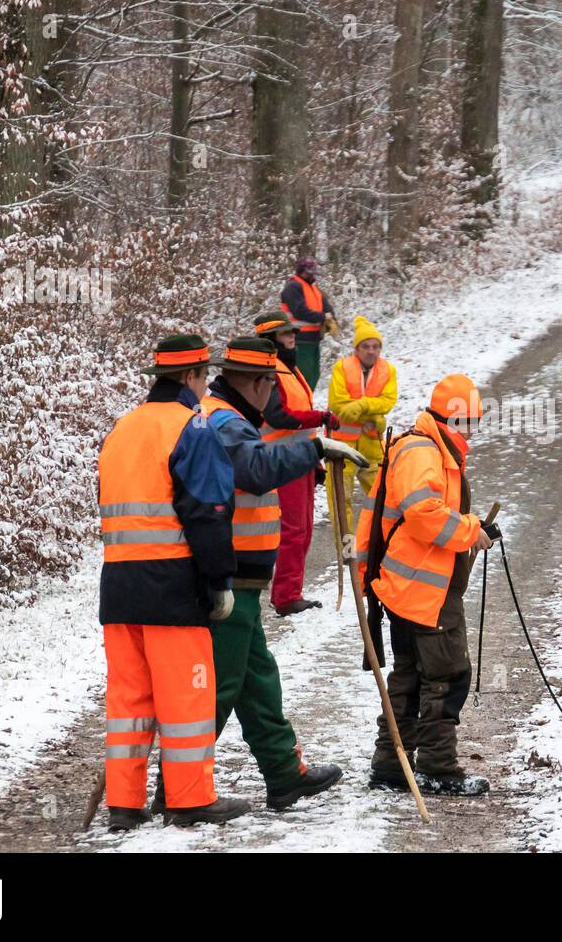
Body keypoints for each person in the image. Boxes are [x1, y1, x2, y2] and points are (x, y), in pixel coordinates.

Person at [151, 336, 368, 815]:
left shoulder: (228, 416)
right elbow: (251, 469)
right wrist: (314, 450)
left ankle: (284, 773)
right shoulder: (222, 420)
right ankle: (179, 790)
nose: (275, 393)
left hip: (243, 579)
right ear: (256, 382)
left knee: (256, 680)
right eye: (271, 383)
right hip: (226, 578)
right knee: (220, 687)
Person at [98, 333, 248, 830]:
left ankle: (123, 804)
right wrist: (219, 580)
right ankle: (189, 799)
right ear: (190, 377)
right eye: (205, 377)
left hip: (118, 585)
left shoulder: (121, 428)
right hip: (173, 584)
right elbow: (207, 512)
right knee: (186, 697)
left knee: (129, 701)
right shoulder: (193, 428)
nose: (206, 387)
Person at [356, 374, 498, 797]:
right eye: (471, 420)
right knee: (447, 673)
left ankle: (391, 766)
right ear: (456, 418)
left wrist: (474, 528)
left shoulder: (427, 446)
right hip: (422, 590)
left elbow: (429, 512)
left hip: (406, 586)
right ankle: (437, 767)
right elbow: (423, 514)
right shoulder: (424, 451)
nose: (474, 429)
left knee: (410, 677)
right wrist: (470, 531)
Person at [252, 311, 342, 617]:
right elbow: (278, 416)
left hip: (298, 461)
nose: (292, 337)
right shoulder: (270, 371)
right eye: (285, 334)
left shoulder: (289, 369)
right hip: (281, 463)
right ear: (270, 339)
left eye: (292, 332)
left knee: (301, 529)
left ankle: (291, 592)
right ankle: (287, 595)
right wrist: (320, 417)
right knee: (293, 530)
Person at [327, 315, 397, 531]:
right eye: (365, 346)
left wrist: (361, 406)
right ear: (357, 348)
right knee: (340, 501)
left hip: (372, 445)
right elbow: (338, 405)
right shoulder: (342, 367)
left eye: (376, 346)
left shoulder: (388, 370)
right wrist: (373, 414)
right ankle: (347, 552)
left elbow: (388, 401)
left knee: (383, 500)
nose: (371, 351)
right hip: (341, 447)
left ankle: (381, 543)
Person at [280, 256, 339, 390]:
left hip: (313, 341)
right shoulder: (293, 287)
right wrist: (324, 317)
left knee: (312, 377)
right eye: (308, 272)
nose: (312, 275)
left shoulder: (314, 288)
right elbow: (299, 311)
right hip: (297, 340)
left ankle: (307, 406)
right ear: (300, 271)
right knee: (302, 379)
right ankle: (300, 407)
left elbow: (327, 308)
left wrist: (331, 320)